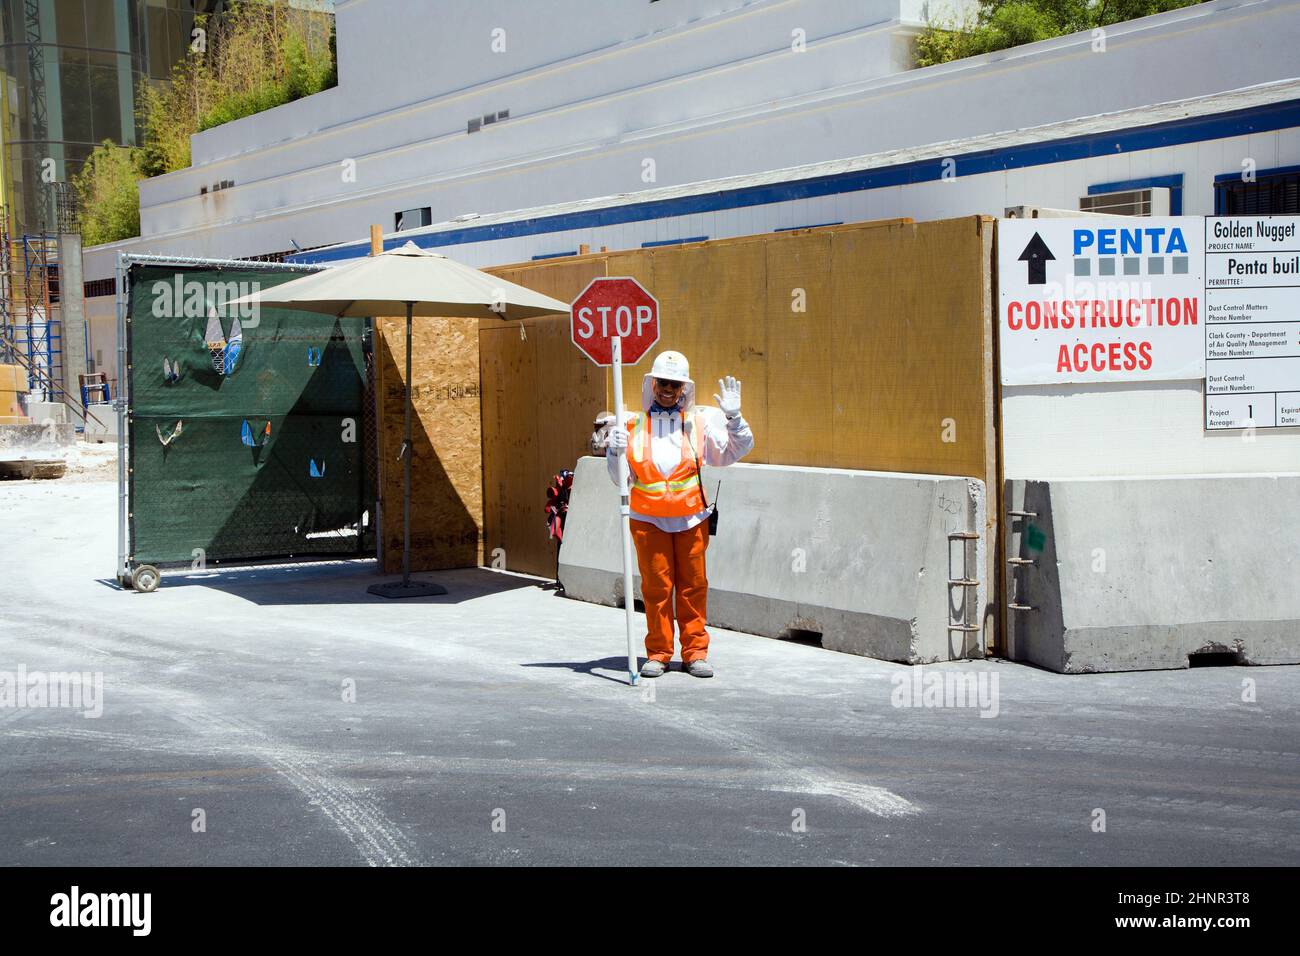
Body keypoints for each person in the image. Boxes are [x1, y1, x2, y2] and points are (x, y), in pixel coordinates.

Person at [606, 350, 753, 678]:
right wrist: (613, 451)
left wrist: (734, 418)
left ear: (684, 388)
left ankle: (695, 653)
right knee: (656, 590)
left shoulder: (697, 424)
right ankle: (658, 652)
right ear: (652, 384)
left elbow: (734, 451)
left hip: (691, 521)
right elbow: (621, 480)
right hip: (648, 522)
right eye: (663, 382)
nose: (668, 389)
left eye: (675, 384)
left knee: (693, 586)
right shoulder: (632, 425)